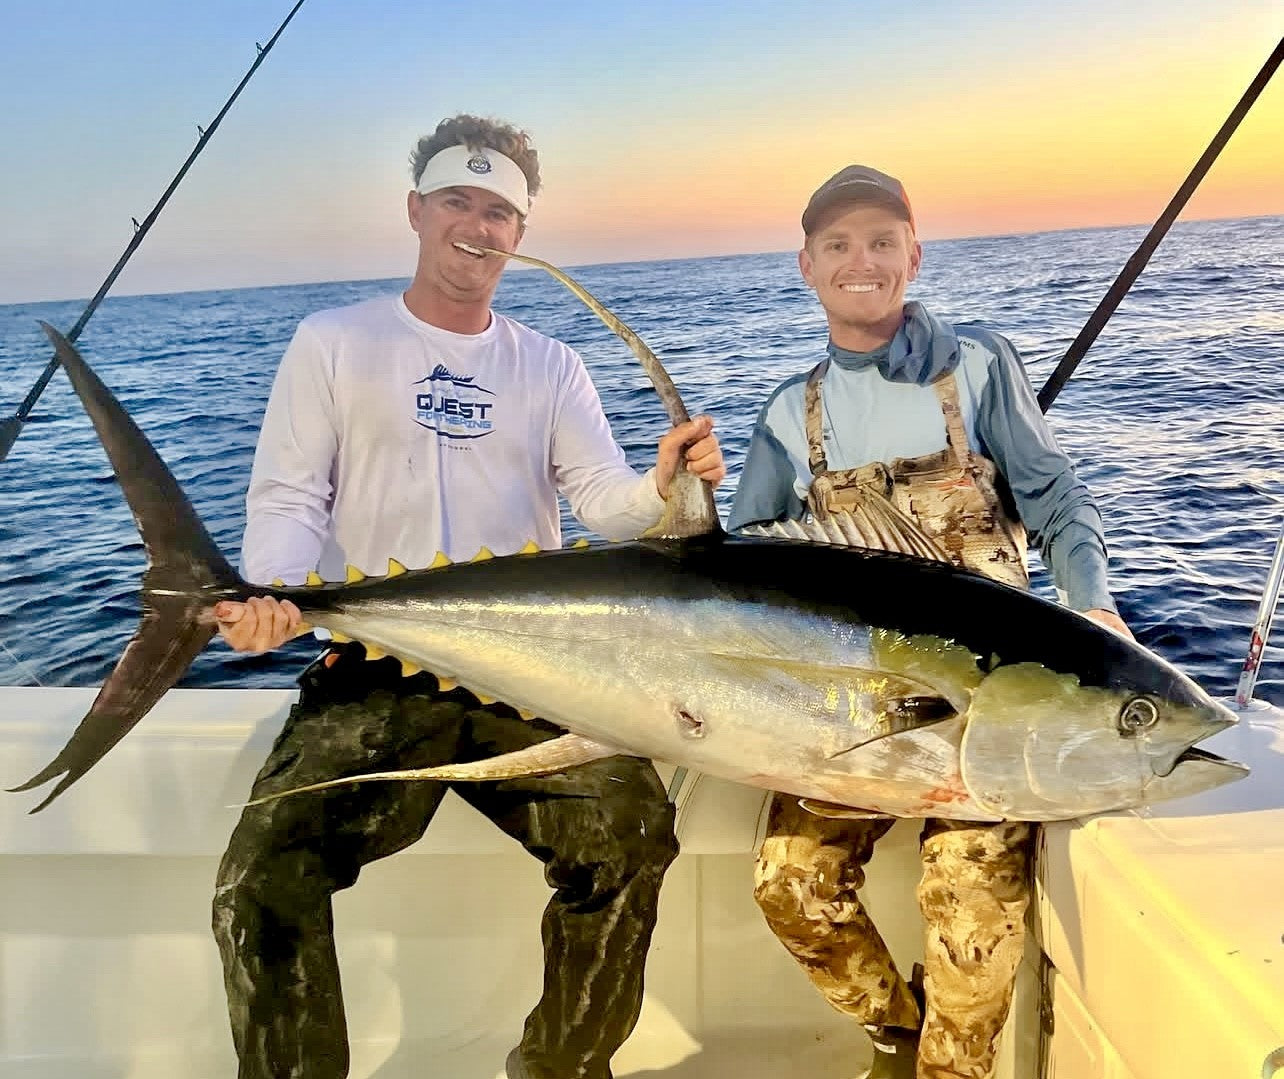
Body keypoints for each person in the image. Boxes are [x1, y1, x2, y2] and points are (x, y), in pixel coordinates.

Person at [209, 113, 726, 1079]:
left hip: (532, 672)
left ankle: (560, 1069)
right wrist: (268, 593)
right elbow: (289, 494)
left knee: (630, 834)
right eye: (458, 201)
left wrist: (661, 486)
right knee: (258, 878)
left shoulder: (550, 364)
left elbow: (601, 500)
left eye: (498, 211)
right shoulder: (333, 341)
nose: (477, 226)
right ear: (415, 209)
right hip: (373, 667)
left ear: (520, 234)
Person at [728, 164, 1131, 1079]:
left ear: (915, 253)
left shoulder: (977, 362)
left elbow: (1058, 501)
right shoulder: (791, 413)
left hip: (986, 713)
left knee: (972, 916)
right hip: (848, 716)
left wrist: (1093, 604)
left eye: (880, 241)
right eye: (837, 244)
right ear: (806, 265)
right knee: (789, 885)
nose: (859, 261)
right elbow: (745, 565)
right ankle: (896, 1030)